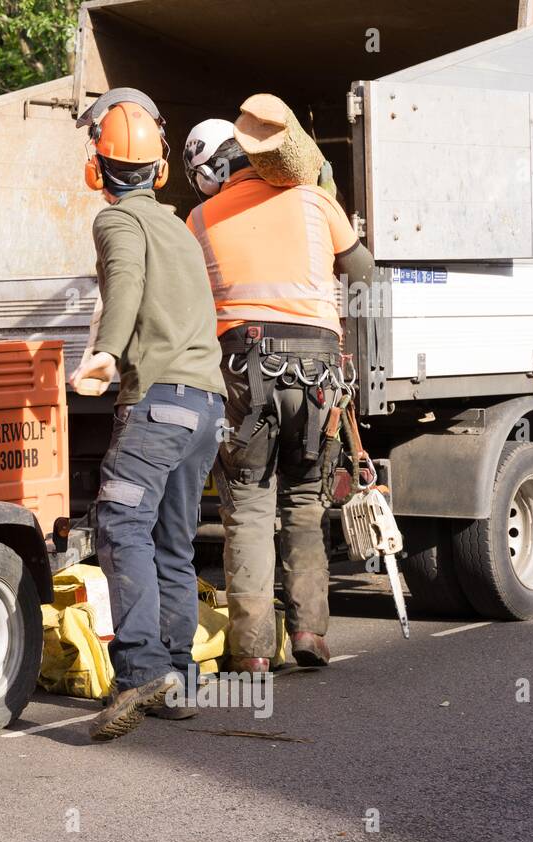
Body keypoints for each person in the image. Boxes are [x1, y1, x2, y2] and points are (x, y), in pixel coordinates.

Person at [182, 116, 374, 672]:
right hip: (318, 377)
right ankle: (310, 632)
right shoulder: (313, 201)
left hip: (244, 370)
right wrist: (329, 202)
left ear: (212, 171)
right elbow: (361, 269)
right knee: (304, 507)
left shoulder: (198, 219)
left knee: (246, 510)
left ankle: (253, 653)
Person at [69, 89, 226, 742]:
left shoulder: (117, 223)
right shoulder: (180, 224)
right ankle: (178, 679)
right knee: (171, 541)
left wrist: (106, 356)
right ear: (159, 169)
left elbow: (126, 282)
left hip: (158, 405)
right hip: (205, 410)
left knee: (119, 521)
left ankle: (137, 670)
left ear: (96, 169)